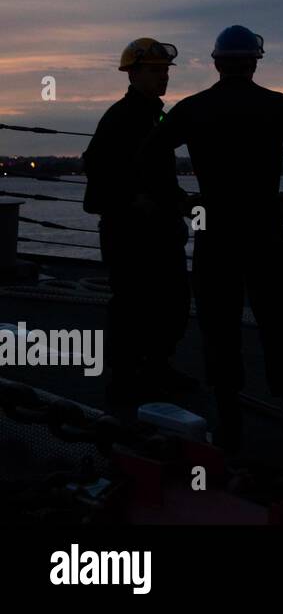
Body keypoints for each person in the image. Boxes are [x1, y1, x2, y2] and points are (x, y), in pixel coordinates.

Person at [137, 25, 283, 455]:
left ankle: (230, 427)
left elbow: (147, 156)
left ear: (216, 63)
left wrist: (182, 201)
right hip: (265, 235)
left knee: (219, 332)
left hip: (215, 238)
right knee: (279, 329)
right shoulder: (278, 107)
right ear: (254, 62)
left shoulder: (193, 109)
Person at [83, 38, 196, 404]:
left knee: (169, 300)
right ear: (132, 74)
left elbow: (159, 174)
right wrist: (133, 200)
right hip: (131, 231)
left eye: (164, 71)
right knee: (135, 302)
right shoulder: (124, 116)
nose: (163, 77)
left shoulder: (152, 114)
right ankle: (129, 377)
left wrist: (176, 202)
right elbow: (96, 165)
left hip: (155, 228)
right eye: (154, 71)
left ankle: (152, 368)